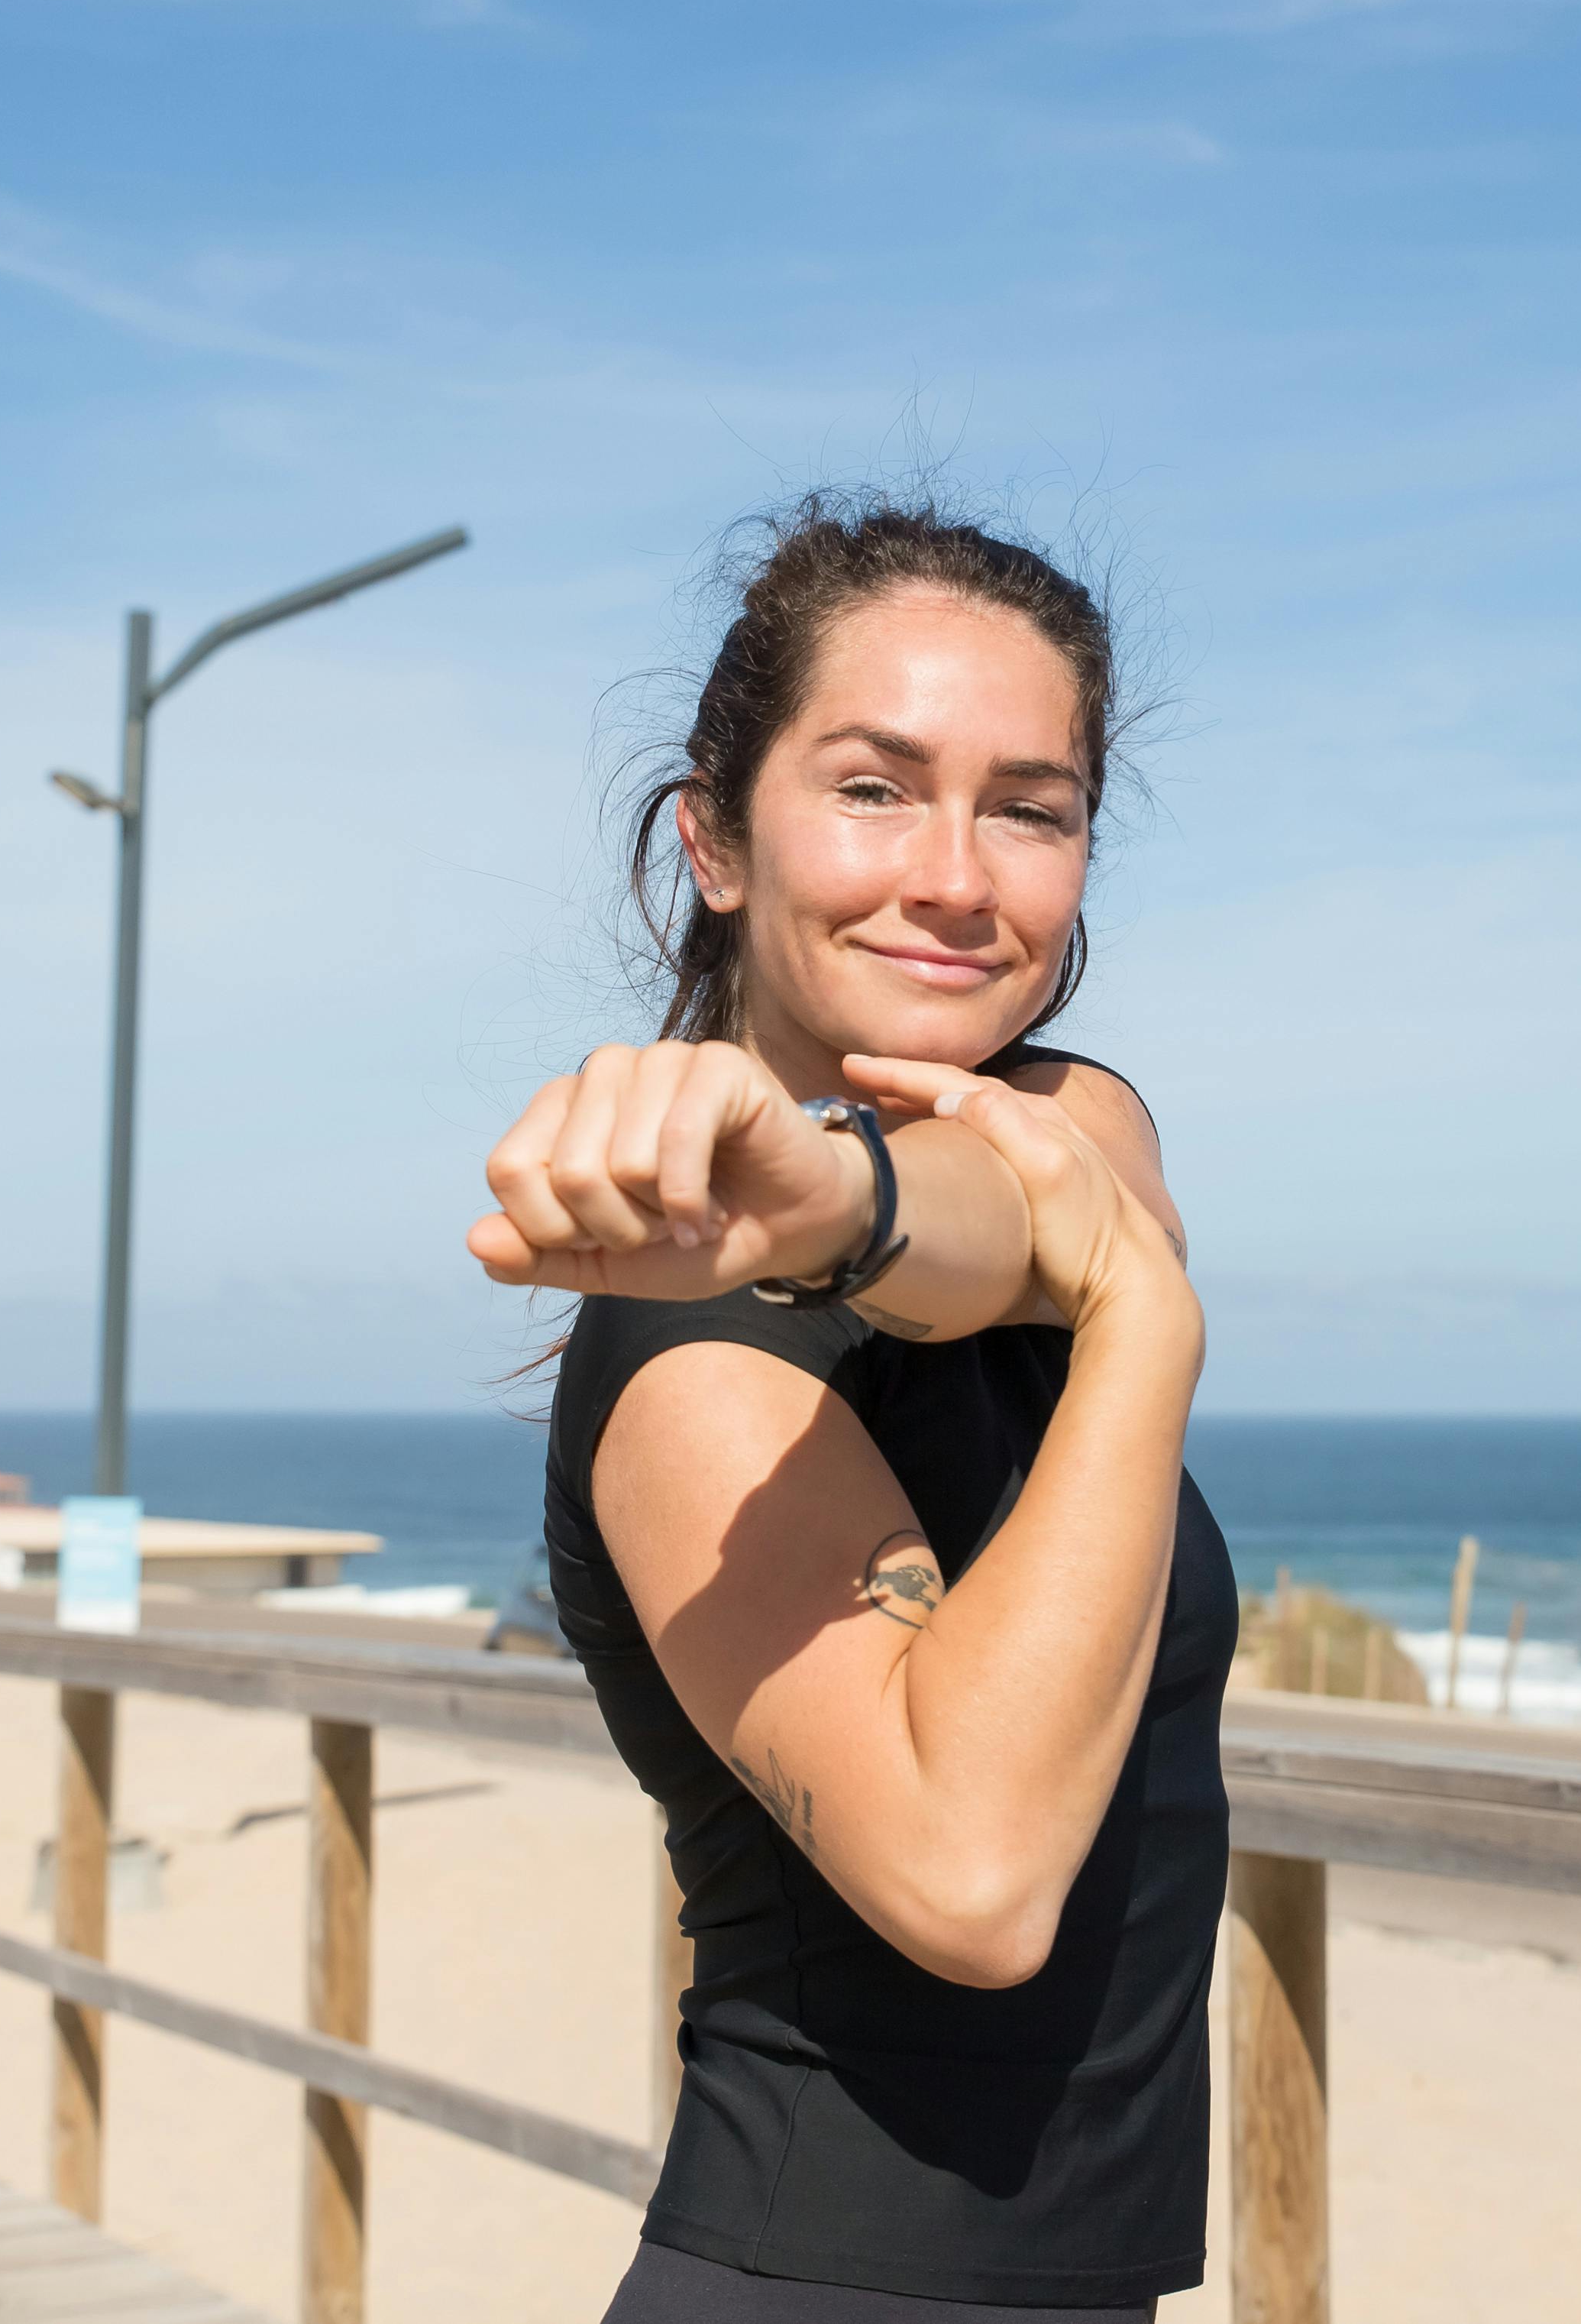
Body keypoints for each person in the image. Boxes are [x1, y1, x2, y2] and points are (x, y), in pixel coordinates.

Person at [470, 500, 1230, 2321]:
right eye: (875, 789)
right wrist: (1141, 1331)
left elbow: (998, 1218)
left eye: (1030, 808)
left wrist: (828, 1200)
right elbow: (972, 1883)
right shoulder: (691, 1365)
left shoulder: (1075, 1121)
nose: (957, 875)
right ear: (716, 841)